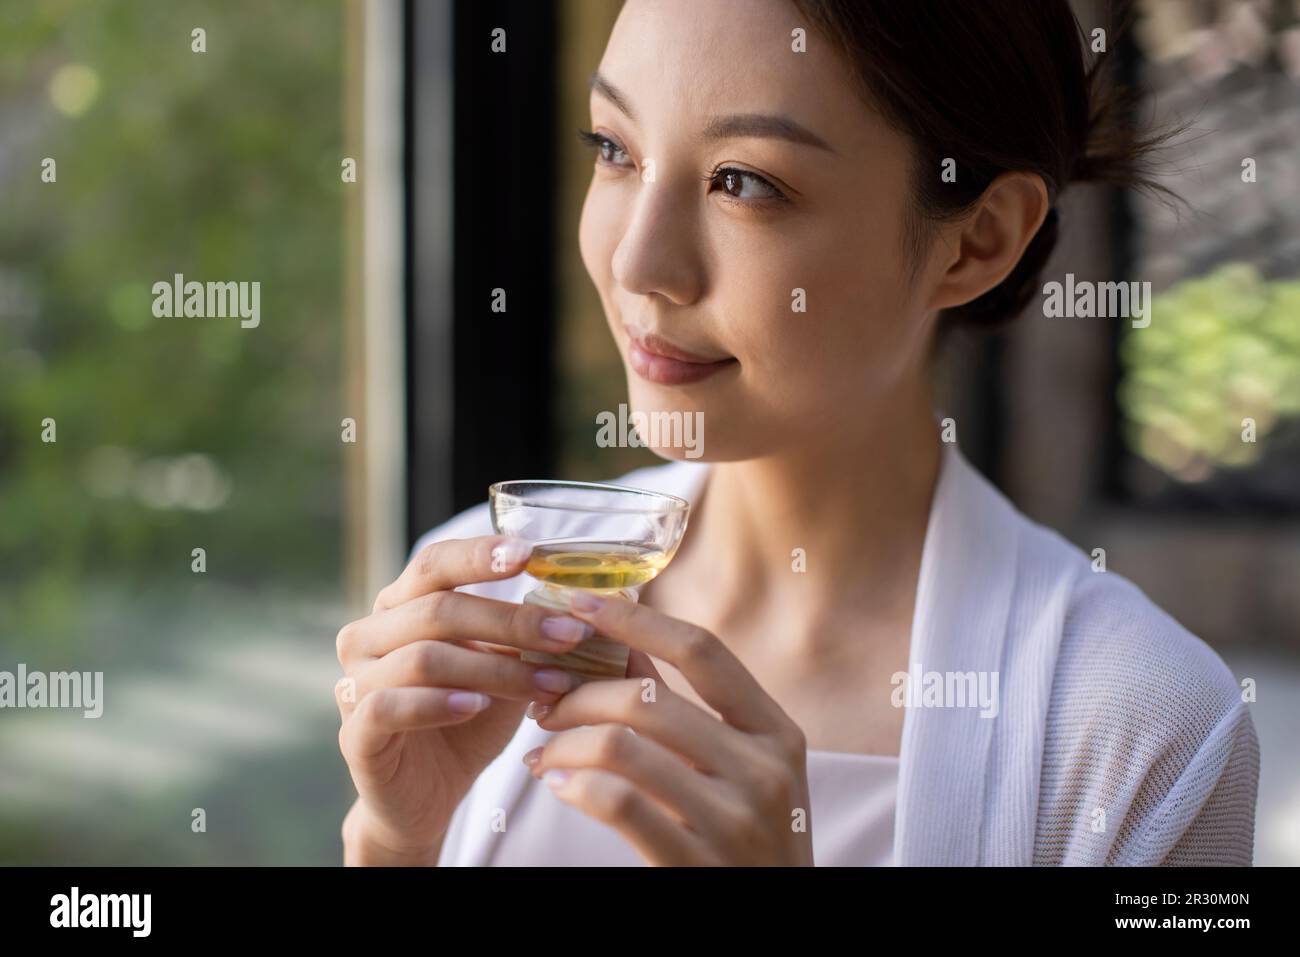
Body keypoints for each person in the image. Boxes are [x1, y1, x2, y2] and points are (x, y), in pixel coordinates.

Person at [337, 0, 1259, 866]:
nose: (638, 261)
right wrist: (393, 843)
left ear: (976, 239)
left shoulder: (1145, 732)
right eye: (612, 148)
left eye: (743, 183)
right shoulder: (484, 596)